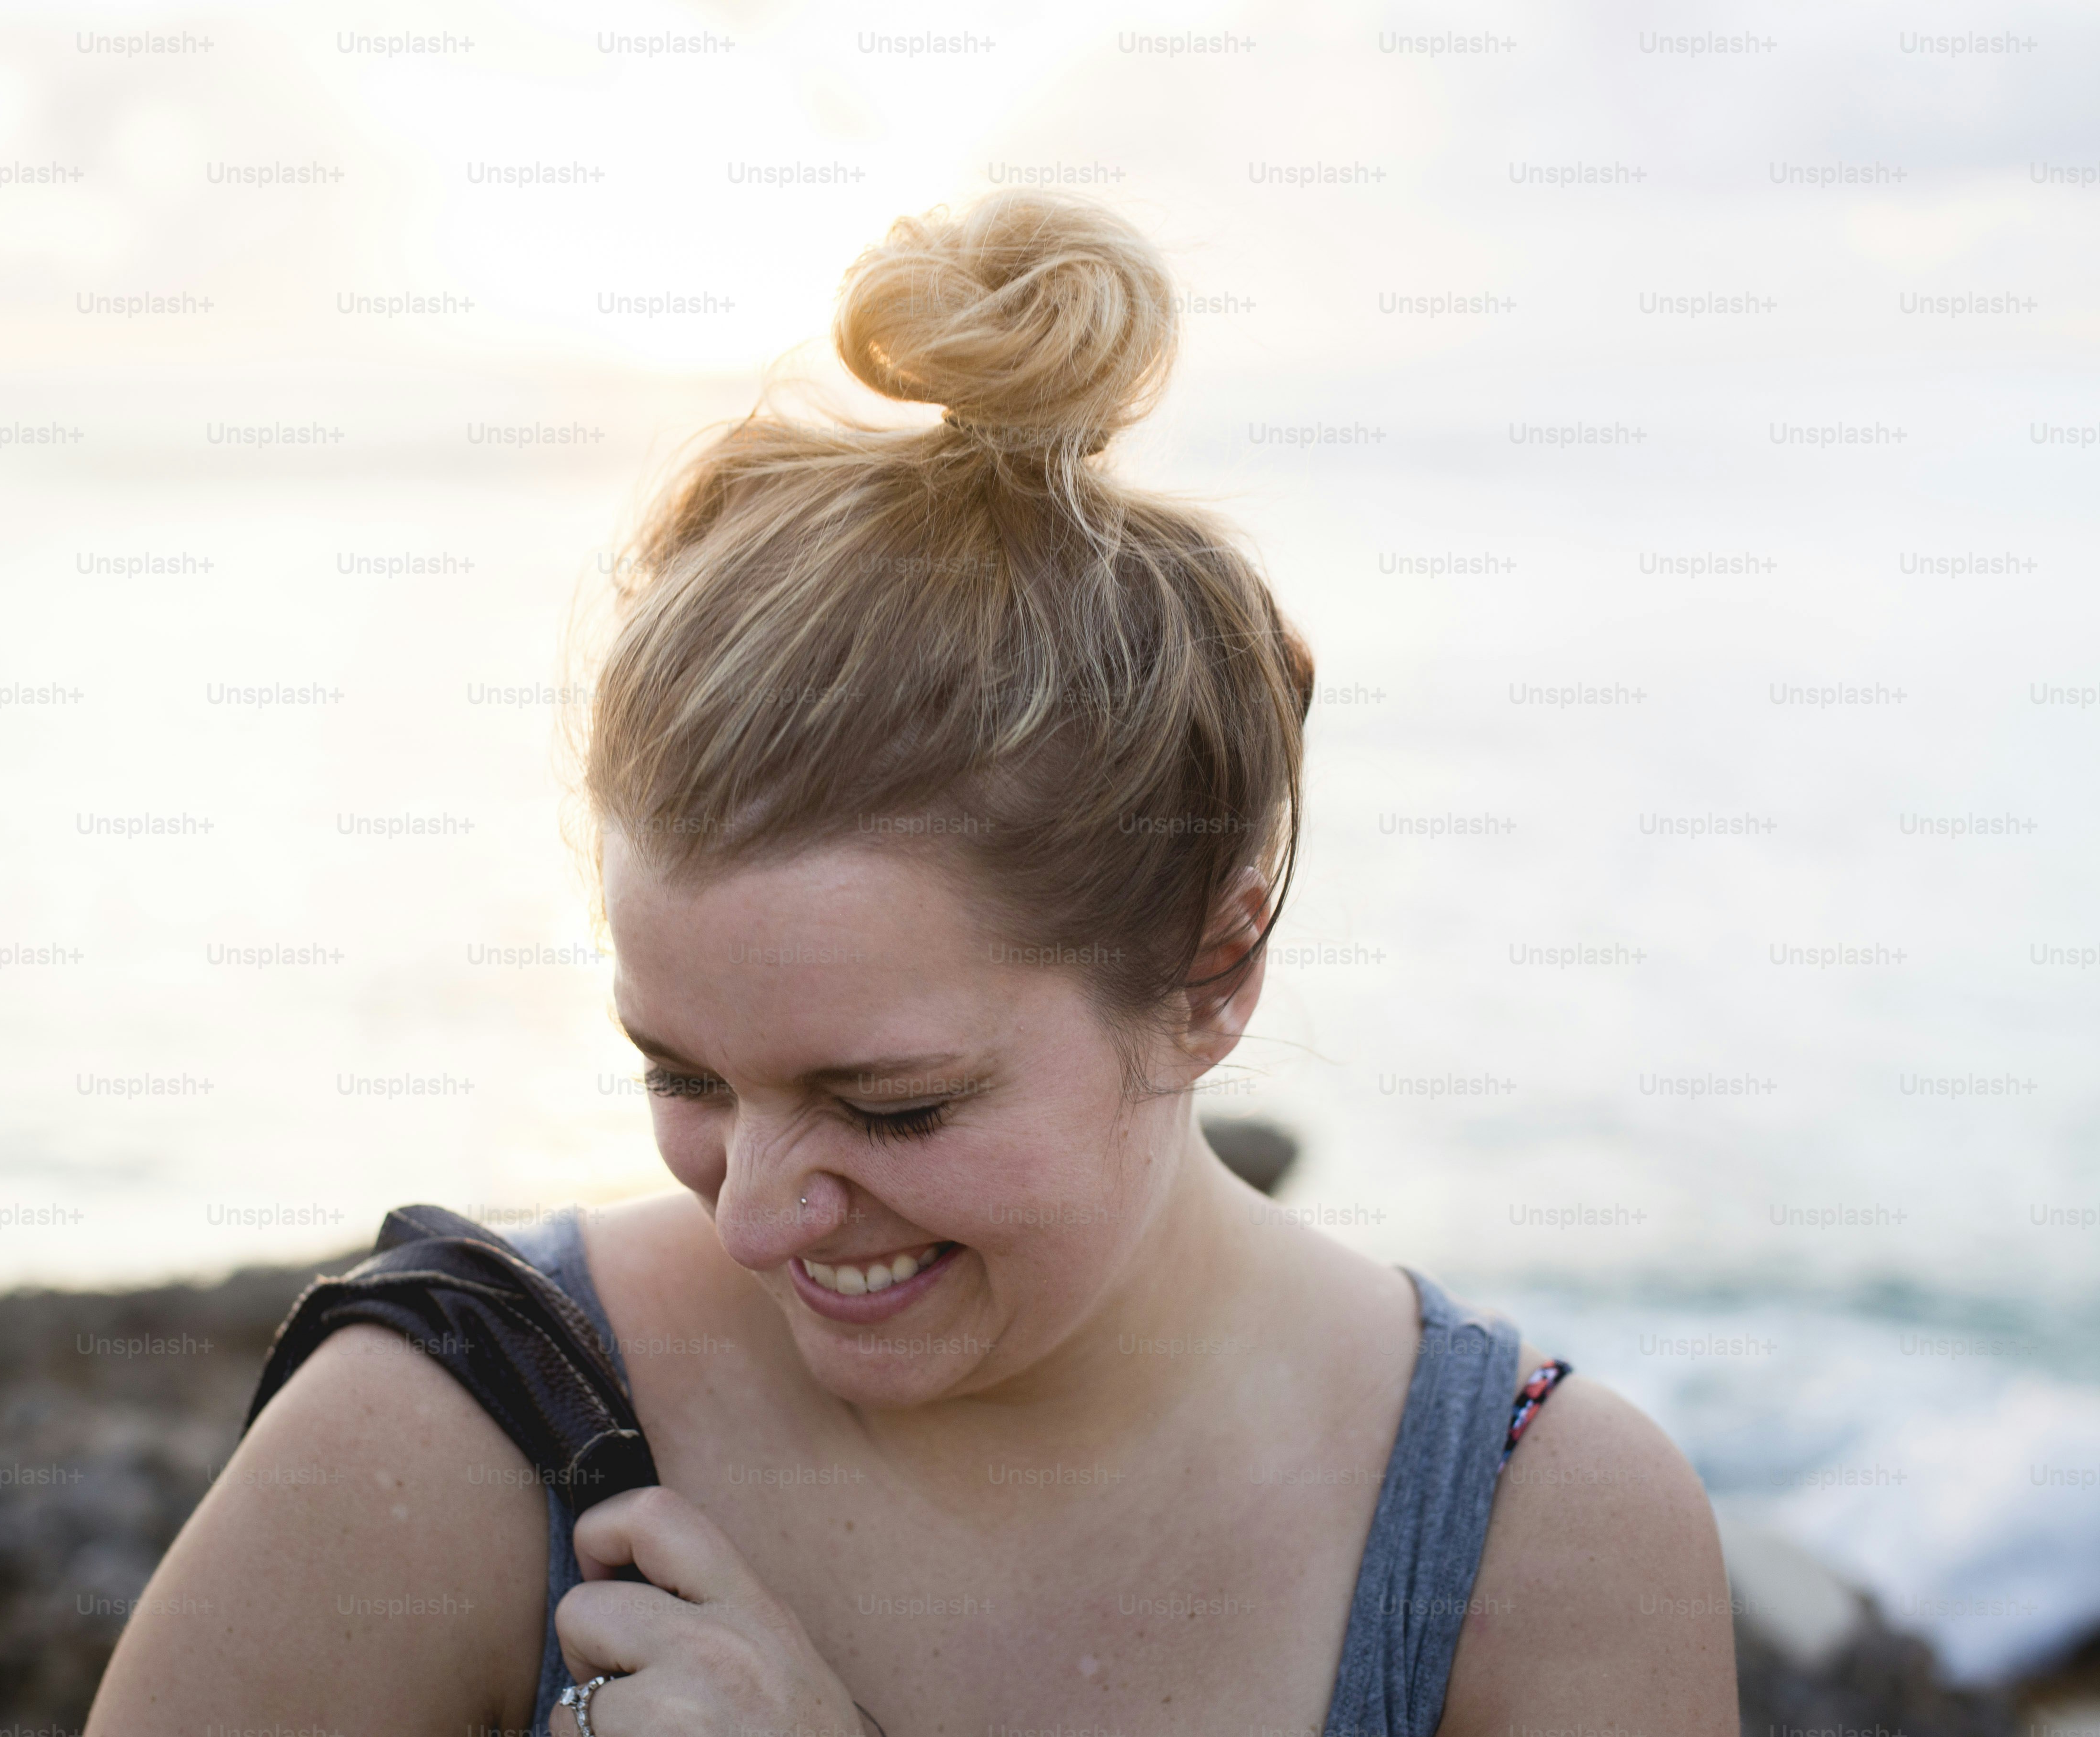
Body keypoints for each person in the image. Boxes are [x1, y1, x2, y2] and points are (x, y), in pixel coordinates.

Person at [86, 190, 1736, 1737]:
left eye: (888, 1109)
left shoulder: (1547, 1536)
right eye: (686, 1077)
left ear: (1215, 968)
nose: (747, 1216)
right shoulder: (432, 1445)